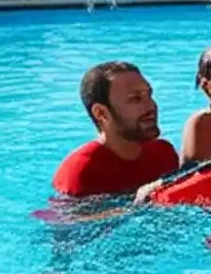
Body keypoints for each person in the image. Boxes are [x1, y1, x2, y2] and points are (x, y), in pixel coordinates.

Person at [52, 62, 179, 198]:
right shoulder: (80, 171)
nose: (151, 106)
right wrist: (138, 206)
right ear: (101, 113)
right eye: (135, 99)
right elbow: (72, 218)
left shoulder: (164, 154)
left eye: (149, 95)